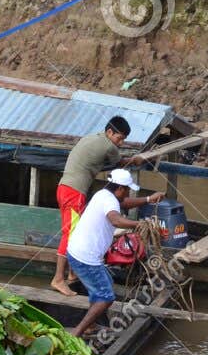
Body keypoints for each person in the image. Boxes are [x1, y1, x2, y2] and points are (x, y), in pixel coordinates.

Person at [50, 115, 154, 297]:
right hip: (74, 192)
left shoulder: (91, 137)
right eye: (119, 138)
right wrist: (137, 160)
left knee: (73, 230)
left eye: (123, 140)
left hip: (65, 188)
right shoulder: (108, 146)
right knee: (70, 234)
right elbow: (122, 164)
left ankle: (72, 274)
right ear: (109, 132)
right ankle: (58, 279)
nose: (120, 143)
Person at [64, 168, 163, 338]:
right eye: (127, 190)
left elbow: (123, 203)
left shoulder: (103, 194)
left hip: (77, 251)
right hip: (86, 258)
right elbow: (116, 220)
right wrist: (140, 224)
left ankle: (90, 325)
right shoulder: (109, 201)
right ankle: (77, 332)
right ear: (120, 189)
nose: (128, 193)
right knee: (106, 297)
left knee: (104, 285)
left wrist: (148, 199)